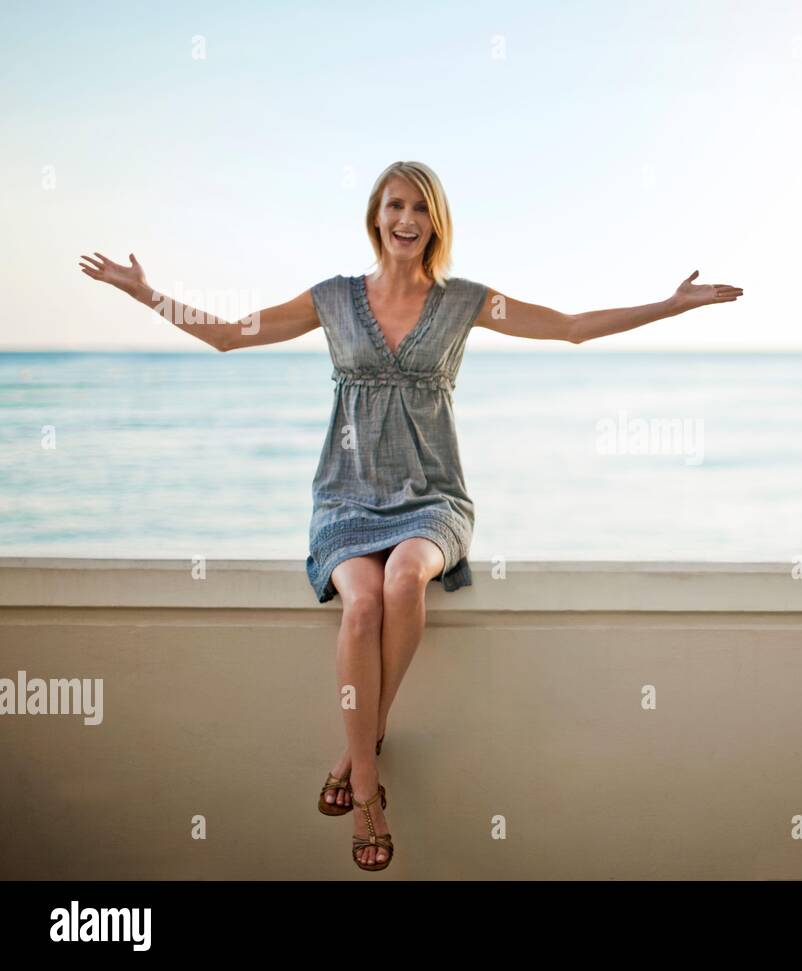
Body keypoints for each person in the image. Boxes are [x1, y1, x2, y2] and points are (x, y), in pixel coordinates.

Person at [79, 159, 743, 872]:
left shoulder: (464, 301)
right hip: (345, 496)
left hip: (433, 498)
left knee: (404, 583)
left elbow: (573, 328)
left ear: (436, 221)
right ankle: (368, 785)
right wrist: (146, 293)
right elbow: (227, 335)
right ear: (375, 216)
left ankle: (355, 759)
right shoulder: (333, 298)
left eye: (419, 208)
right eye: (394, 205)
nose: (406, 220)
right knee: (360, 608)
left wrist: (672, 305)